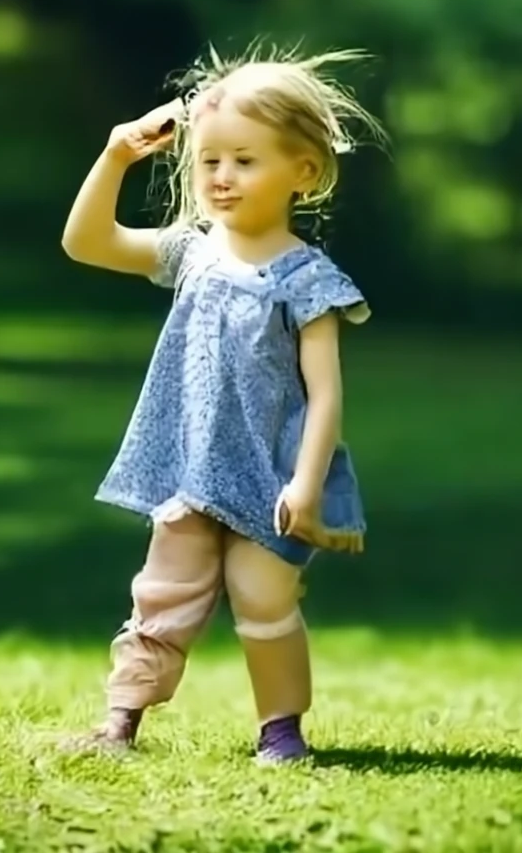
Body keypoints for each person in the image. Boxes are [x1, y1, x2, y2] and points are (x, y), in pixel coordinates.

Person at [60, 44, 385, 763]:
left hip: (272, 474)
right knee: (162, 593)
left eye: (244, 160)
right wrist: (116, 155)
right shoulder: (193, 252)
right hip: (193, 466)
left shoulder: (308, 280)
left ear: (303, 172)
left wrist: (307, 483)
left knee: (263, 598)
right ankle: (119, 722)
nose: (222, 177)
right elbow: (85, 243)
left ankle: (282, 733)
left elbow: (326, 394)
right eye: (209, 161)